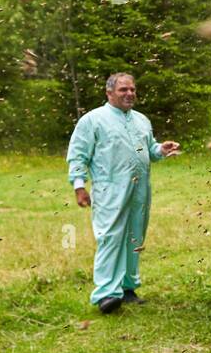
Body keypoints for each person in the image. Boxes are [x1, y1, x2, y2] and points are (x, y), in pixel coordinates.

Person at [67, 73, 180, 313]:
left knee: (135, 236)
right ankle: (106, 294)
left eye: (132, 89)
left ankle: (128, 288)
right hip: (110, 189)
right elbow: (78, 155)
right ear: (109, 93)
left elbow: (146, 149)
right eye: (123, 90)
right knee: (110, 237)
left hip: (140, 189)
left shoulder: (141, 120)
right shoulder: (93, 120)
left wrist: (161, 149)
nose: (130, 94)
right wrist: (79, 185)